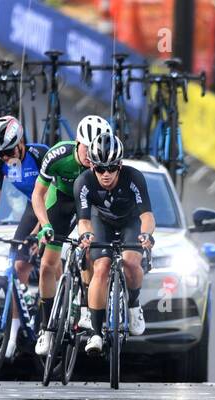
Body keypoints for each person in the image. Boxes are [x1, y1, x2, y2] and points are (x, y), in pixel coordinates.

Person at [30, 114, 110, 357]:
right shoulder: (58, 155)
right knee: (46, 266)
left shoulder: (102, 162)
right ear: (77, 142)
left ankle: (86, 306)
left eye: (94, 148)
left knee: (90, 250)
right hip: (62, 202)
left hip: (89, 206)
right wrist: (44, 225)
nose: (90, 154)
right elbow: (38, 195)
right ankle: (46, 329)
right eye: (86, 147)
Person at [73, 131, 154, 356]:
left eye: (111, 168)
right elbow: (84, 220)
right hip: (102, 222)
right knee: (100, 268)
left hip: (130, 221)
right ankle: (96, 333)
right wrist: (85, 236)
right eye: (100, 168)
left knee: (130, 262)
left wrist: (146, 235)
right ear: (92, 168)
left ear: (119, 166)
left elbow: (147, 215)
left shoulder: (134, 178)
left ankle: (134, 304)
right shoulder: (84, 182)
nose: (105, 174)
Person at [0, 116, 48, 290]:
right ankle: (17, 317)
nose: (5, 157)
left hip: (54, 202)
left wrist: (37, 233)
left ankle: (60, 298)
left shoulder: (39, 155)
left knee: (49, 260)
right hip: (33, 204)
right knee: (18, 265)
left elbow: (48, 199)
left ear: (21, 142)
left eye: (9, 152)